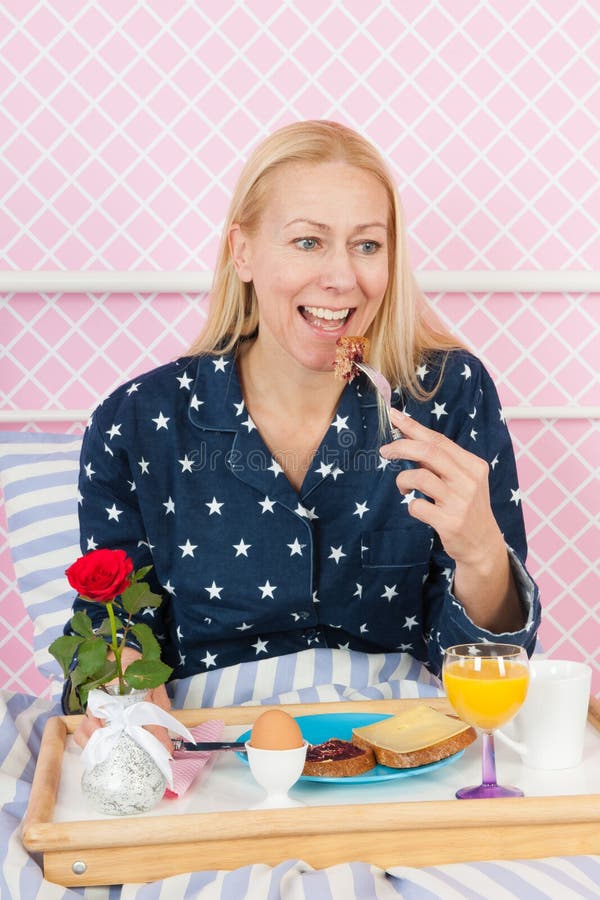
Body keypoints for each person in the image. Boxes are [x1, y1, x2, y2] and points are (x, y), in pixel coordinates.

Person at [65, 120, 541, 744]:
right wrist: (124, 682)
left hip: (407, 737)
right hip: (211, 737)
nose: (342, 278)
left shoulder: (447, 393)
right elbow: (107, 628)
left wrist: (481, 551)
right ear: (243, 252)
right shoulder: (136, 420)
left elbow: (485, 666)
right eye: (309, 242)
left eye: (367, 245)